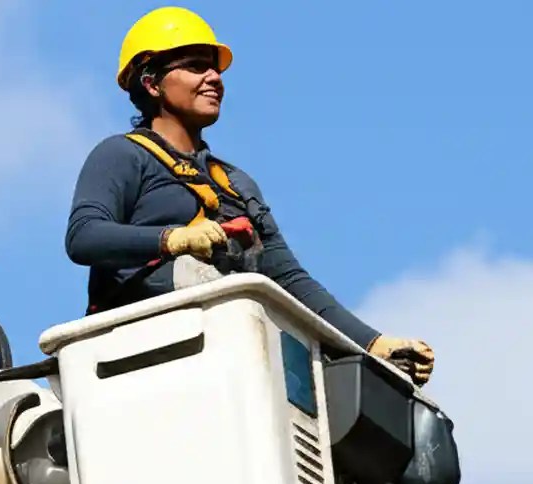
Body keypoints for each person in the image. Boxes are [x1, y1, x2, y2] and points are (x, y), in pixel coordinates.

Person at [64, 6, 435, 385]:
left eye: (215, 69)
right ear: (151, 82)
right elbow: (84, 237)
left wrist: (371, 344)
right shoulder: (123, 155)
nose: (213, 78)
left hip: (225, 363)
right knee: (193, 274)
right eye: (195, 66)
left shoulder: (235, 184)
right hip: (139, 356)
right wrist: (173, 239)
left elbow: (288, 277)